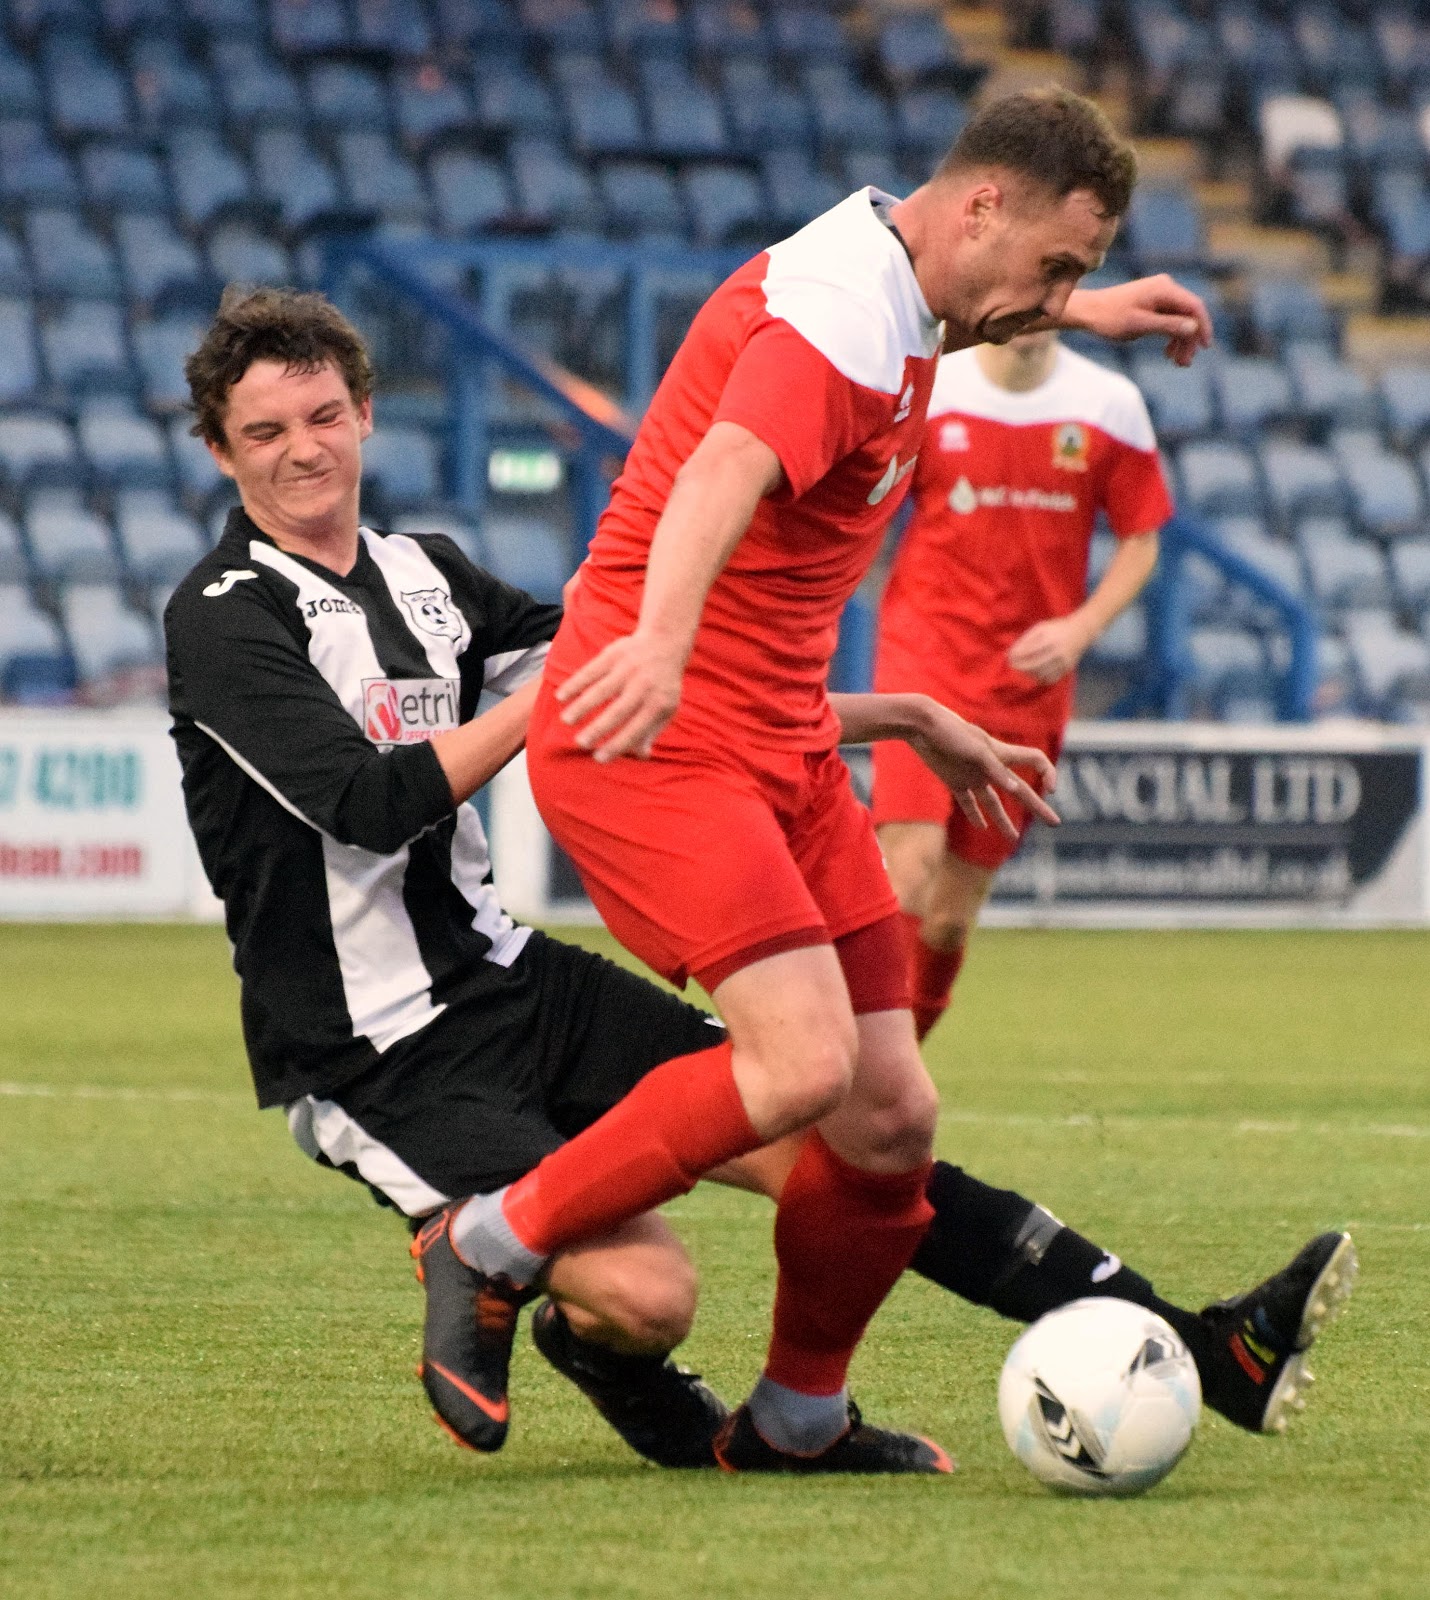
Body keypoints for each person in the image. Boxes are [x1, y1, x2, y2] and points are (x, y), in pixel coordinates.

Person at [165, 285, 1355, 1476]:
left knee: (853, 1147)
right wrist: (564, 684)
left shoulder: (427, 571)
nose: (303, 450)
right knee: (649, 1291)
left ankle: (1205, 1351)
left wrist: (896, 716)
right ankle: (605, 1348)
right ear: (221, 451)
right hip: (372, 1045)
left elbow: (672, 690)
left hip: (512, 978)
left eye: (322, 414)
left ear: (365, 413)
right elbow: (372, 807)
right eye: (264, 433)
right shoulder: (220, 616)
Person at [481, 86, 1302, 1475]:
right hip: (682, 749)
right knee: (810, 1064)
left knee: (890, 1111)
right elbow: (731, 461)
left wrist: (1079, 316)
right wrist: (662, 642)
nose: (1058, 289)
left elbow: (954, 302)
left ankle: (795, 1422)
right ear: (981, 206)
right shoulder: (839, 314)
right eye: (1059, 262)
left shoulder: (903, 287)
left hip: (787, 741)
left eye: (1078, 276)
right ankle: (494, 1243)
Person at [873, 328, 1167, 1039]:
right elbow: (866, 502)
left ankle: (890, 1084)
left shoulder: (1110, 404)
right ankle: (852, 1080)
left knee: (947, 919)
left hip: (1025, 685)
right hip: (926, 660)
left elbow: (1142, 538)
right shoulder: (935, 385)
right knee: (905, 872)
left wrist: (1082, 629)